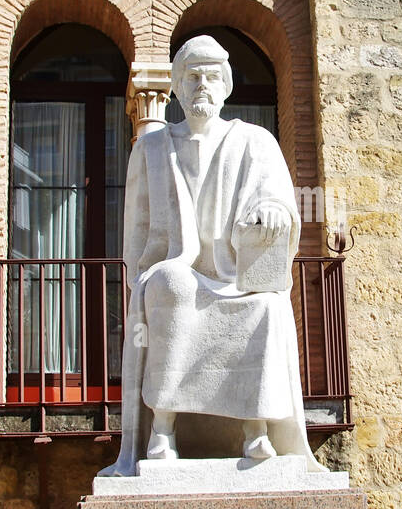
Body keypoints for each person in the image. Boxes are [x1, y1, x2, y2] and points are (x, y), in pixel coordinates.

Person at [98, 34, 324, 476]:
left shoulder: (255, 142)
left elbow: (278, 201)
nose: (202, 85)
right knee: (170, 287)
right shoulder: (151, 147)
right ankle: (162, 432)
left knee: (265, 307)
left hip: (236, 273)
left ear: (225, 86)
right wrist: (139, 278)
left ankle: (254, 431)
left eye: (211, 77)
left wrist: (272, 212)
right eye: (192, 77)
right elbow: (138, 227)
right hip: (179, 269)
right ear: (178, 88)